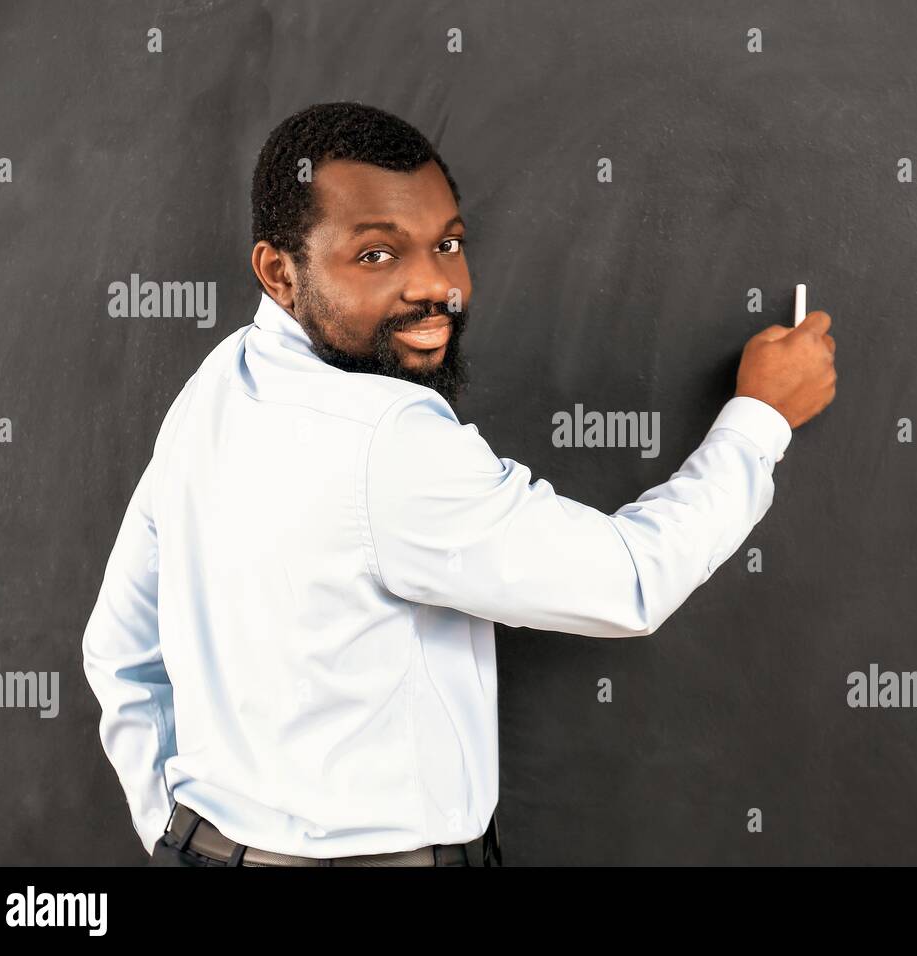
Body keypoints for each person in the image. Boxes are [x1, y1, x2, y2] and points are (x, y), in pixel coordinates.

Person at [81, 101, 838, 868]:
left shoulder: (217, 384)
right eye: (377, 255)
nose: (436, 287)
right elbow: (630, 582)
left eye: (447, 243)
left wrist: (175, 837)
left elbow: (119, 649)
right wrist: (760, 418)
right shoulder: (390, 439)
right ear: (280, 272)